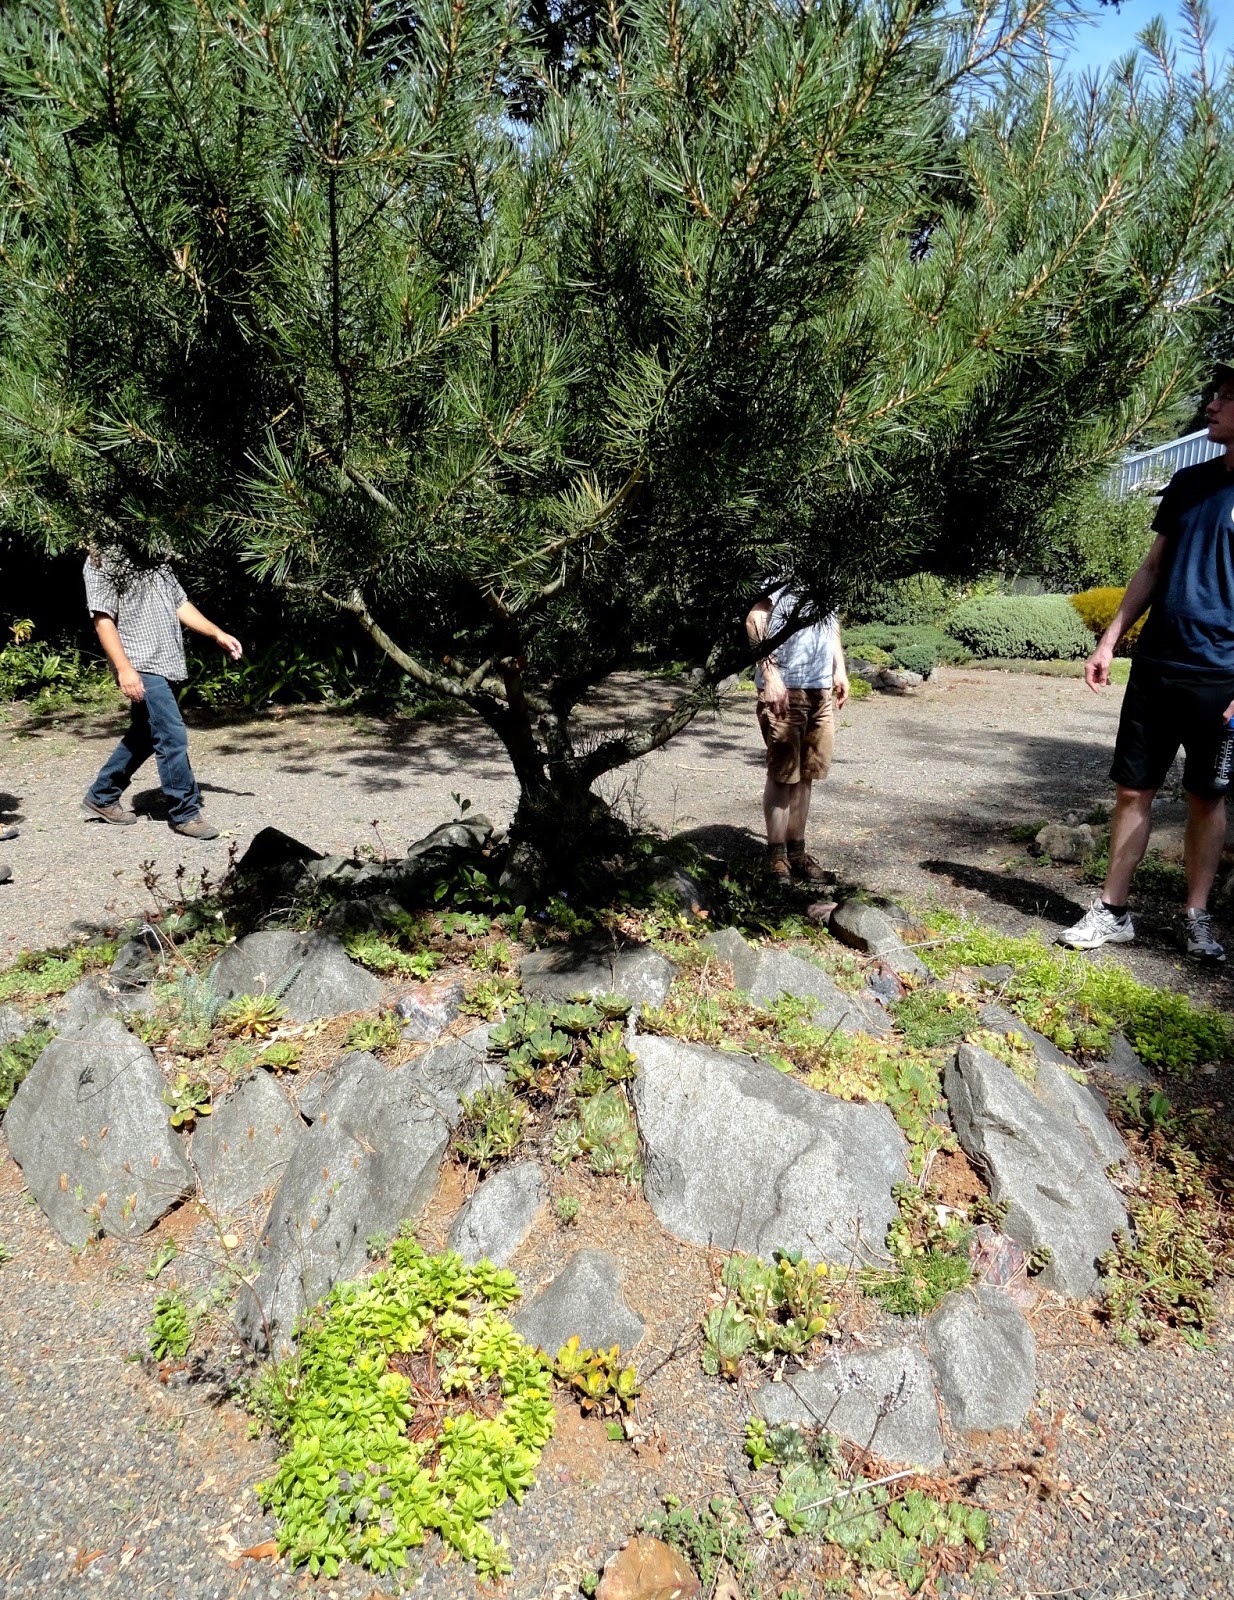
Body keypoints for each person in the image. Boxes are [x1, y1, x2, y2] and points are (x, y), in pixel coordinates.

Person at [1061, 359, 1234, 962]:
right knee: (1133, 790)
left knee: (1206, 798)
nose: (1210, 406)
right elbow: (1154, 567)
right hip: (1157, 665)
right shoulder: (1189, 482)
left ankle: (1196, 916)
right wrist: (1111, 639)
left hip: (1222, 676)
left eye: (1224, 398)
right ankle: (1112, 911)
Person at [81, 549, 242, 840]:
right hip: (137, 662)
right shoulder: (102, 558)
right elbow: (102, 619)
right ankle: (185, 813)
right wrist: (124, 668)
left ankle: (102, 795)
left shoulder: (154, 556)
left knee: (145, 733)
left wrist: (216, 632)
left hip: (163, 661)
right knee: (171, 734)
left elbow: (180, 604)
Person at [745, 583, 849, 884]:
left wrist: (839, 669)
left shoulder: (830, 569)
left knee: (806, 774)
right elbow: (755, 618)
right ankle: (776, 858)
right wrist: (770, 675)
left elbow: (831, 622)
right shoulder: (783, 564)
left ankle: (797, 853)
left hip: (820, 689)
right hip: (784, 688)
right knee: (783, 774)